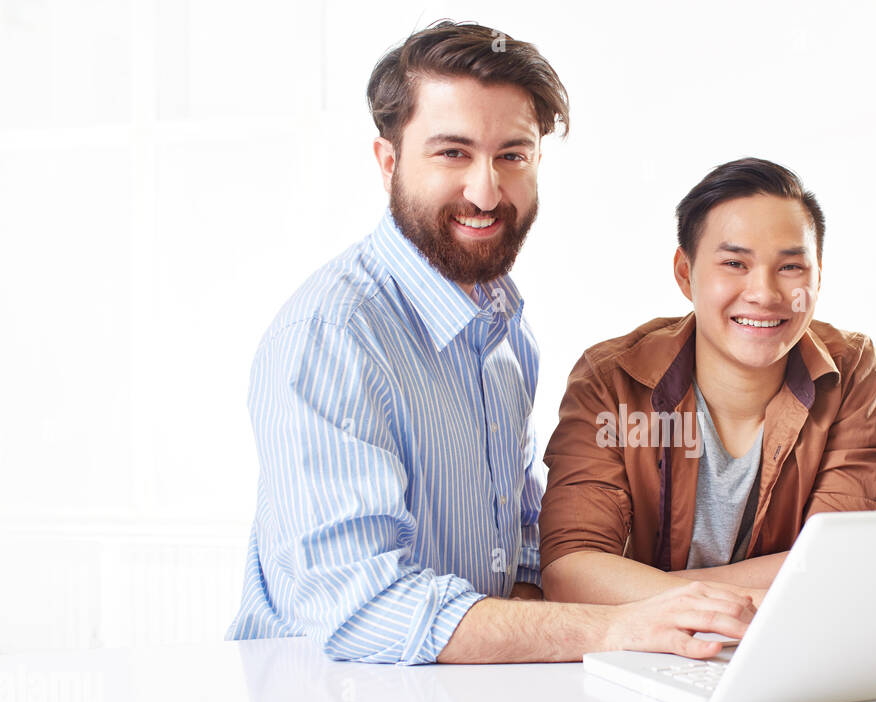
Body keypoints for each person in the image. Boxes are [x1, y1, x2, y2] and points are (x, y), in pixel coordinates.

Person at [226, 21, 755, 663]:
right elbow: (362, 609)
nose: (485, 191)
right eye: (452, 153)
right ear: (388, 162)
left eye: (513, 155)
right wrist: (612, 629)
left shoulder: (503, 326)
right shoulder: (332, 336)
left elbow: (519, 549)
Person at [541, 158, 876, 603]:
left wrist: (638, 590)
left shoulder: (851, 370)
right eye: (734, 263)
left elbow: (843, 565)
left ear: (818, 275)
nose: (765, 294)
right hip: (639, 656)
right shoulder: (612, 380)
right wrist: (772, 584)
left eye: (791, 267)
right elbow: (572, 571)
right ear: (684, 273)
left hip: (785, 653)